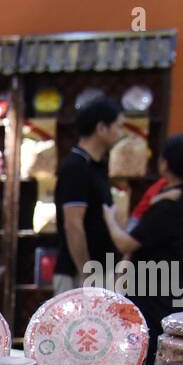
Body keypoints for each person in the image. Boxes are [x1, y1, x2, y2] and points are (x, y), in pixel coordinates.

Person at [102, 133, 183, 363]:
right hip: (172, 290)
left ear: (165, 163)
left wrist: (109, 217)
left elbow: (125, 243)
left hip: (152, 294)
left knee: (145, 357)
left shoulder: (169, 205)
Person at [53, 97, 127, 294]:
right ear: (101, 128)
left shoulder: (97, 166)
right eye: (118, 126)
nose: (121, 133)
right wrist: (87, 274)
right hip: (79, 275)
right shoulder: (75, 167)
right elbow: (73, 224)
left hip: (103, 270)